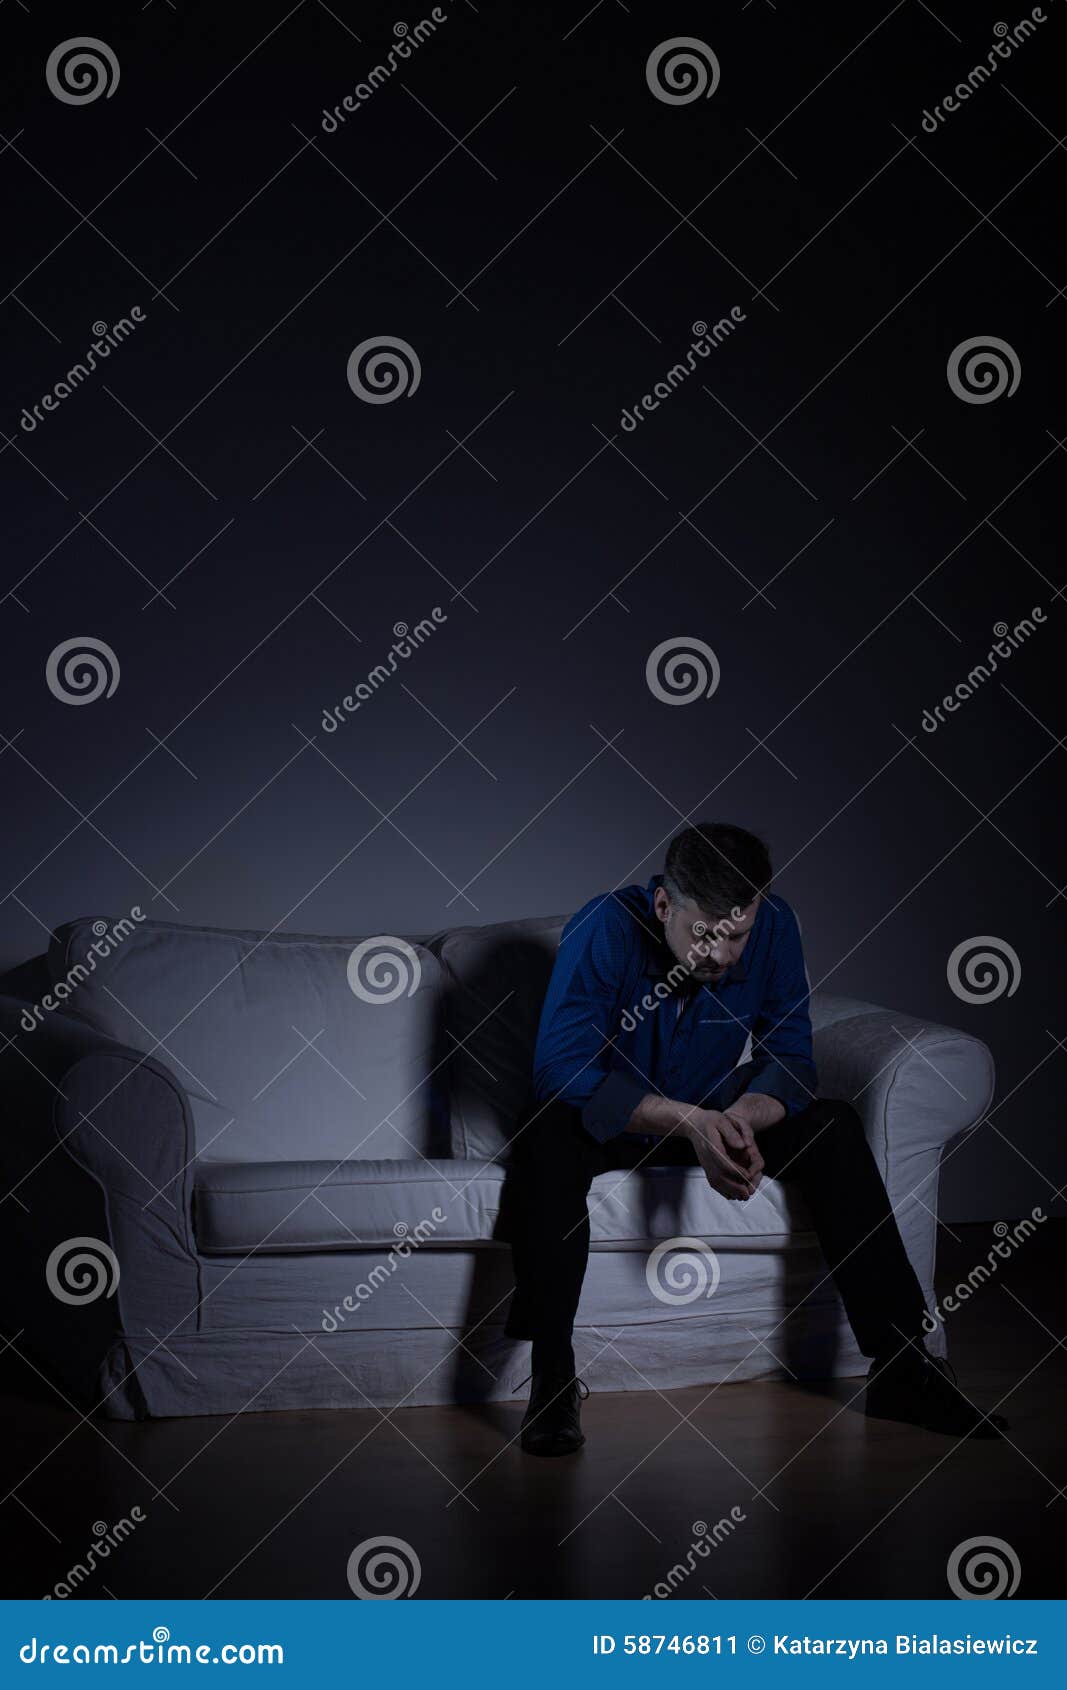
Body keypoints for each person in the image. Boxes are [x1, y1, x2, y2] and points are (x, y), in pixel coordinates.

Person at [500, 821, 1007, 1456]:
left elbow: (790, 1058)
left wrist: (740, 1118)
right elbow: (562, 1071)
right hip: (620, 1117)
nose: (722, 955)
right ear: (665, 906)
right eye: (704, 935)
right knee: (546, 1134)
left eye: (736, 935)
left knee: (832, 1126)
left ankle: (903, 1367)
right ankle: (552, 1376)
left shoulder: (776, 926)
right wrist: (691, 1124)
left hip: (716, 1107)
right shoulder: (604, 926)